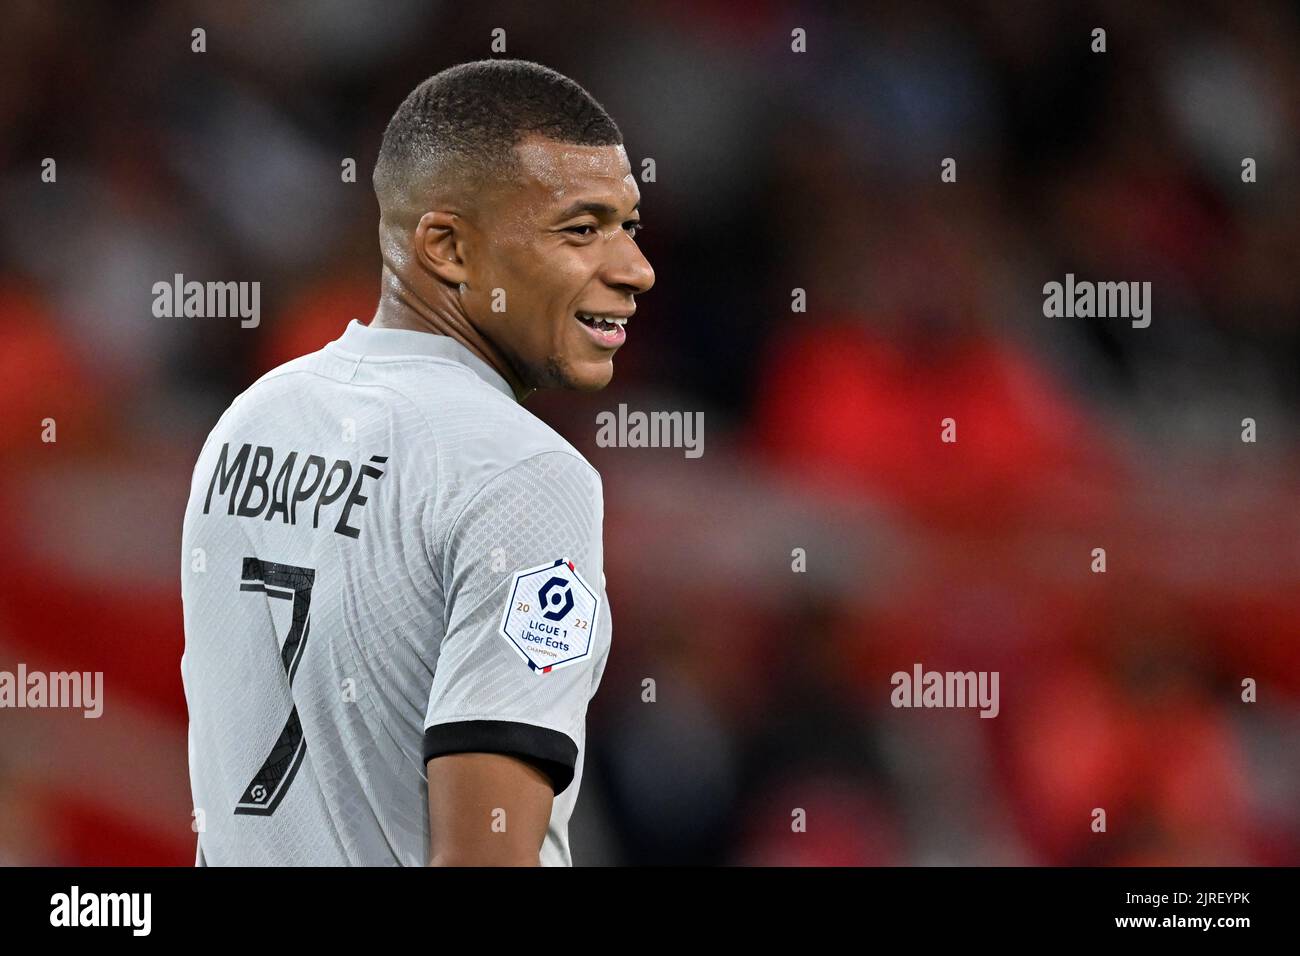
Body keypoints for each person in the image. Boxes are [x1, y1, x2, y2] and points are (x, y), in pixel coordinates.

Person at [180, 59, 654, 866]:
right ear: (447, 247)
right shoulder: (525, 474)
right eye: (581, 229)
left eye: (628, 226)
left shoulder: (250, 421)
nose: (634, 270)